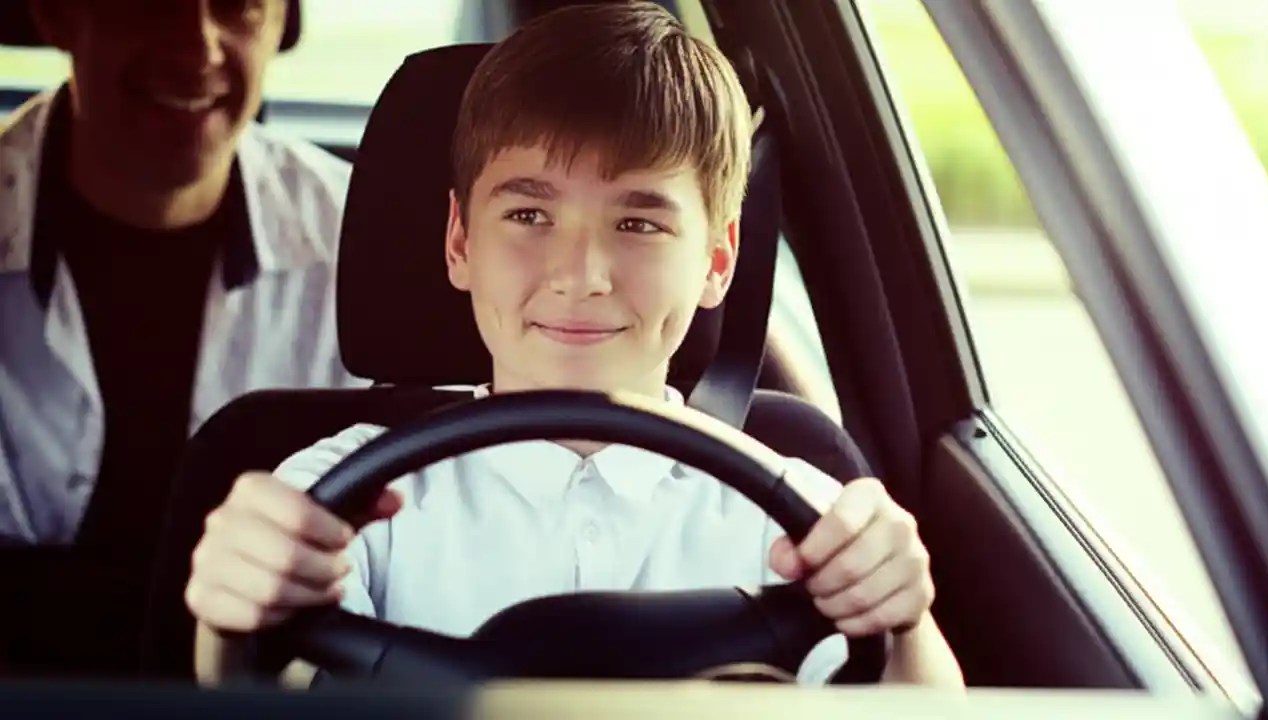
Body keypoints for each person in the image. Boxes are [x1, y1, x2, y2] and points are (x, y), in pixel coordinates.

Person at [184, 1, 965, 687]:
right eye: (529, 216)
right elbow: (263, 682)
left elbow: (906, 704)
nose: (581, 274)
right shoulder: (338, 493)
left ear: (717, 261)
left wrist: (903, 624)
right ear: (459, 242)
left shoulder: (796, 512)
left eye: (639, 224)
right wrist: (238, 622)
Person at [0, 0, 357, 675]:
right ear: (56, 17)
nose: (196, 49)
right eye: (151, 3)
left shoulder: (368, 245)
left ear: (283, 23)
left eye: (238, 5)